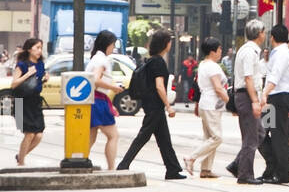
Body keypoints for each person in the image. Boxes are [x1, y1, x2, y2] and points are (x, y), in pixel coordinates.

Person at [117, 30, 185, 179]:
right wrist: (168, 105)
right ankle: (123, 164)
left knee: (164, 139)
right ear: (165, 44)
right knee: (143, 136)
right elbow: (159, 86)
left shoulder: (150, 60)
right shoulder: (159, 62)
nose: (170, 44)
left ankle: (172, 169)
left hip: (150, 104)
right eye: (169, 42)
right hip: (155, 106)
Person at [226, 19, 267, 185]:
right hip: (246, 96)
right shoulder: (250, 52)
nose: (265, 35)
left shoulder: (249, 50)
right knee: (251, 138)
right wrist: (255, 101)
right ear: (258, 34)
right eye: (263, 32)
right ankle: (245, 174)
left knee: (259, 134)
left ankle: (237, 164)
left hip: (246, 95)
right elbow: (248, 78)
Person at [184, 38, 229, 179]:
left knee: (209, 138)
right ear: (212, 51)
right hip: (212, 105)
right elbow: (217, 87)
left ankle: (206, 170)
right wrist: (230, 101)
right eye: (220, 49)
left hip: (206, 103)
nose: (221, 51)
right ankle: (191, 158)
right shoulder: (213, 66)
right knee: (217, 138)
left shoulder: (203, 65)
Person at [259, 24, 289, 184]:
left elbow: (275, 76)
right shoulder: (278, 53)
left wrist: (264, 93)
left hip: (278, 99)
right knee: (261, 133)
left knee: (278, 136)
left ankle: (281, 174)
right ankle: (271, 168)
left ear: (272, 37)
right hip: (273, 99)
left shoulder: (282, 54)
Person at [86, 30, 122, 171]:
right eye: (113, 45)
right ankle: (111, 167)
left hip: (93, 100)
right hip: (98, 100)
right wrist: (113, 87)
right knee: (113, 135)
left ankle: (80, 160)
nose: (113, 48)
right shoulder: (102, 60)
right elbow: (96, 79)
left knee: (91, 136)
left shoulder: (95, 58)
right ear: (107, 44)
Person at [9, 37, 46, 166]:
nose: (39, 51)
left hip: (35, 102)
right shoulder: (22, 64)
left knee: (39, 135)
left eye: (41, 48)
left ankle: (20, 156)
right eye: (37, 48)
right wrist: (27, 74)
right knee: (29, 134)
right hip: (22, 102)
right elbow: (14, 84)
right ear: (29, 49)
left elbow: (36, 82)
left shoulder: (41, 64)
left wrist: (44, 79)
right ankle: (21, 163)